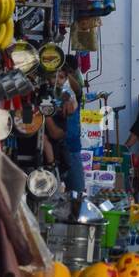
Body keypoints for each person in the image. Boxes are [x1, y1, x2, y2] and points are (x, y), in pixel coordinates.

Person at [45, 65, 85, 197]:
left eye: (61, 77)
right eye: (53, 76)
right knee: (53, 197)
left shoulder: (71, 95)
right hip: (54, 154)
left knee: (77, 195)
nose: (56, 80)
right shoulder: (46, 97)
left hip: (72, 151)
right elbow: (54, 133)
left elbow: (77, 90)